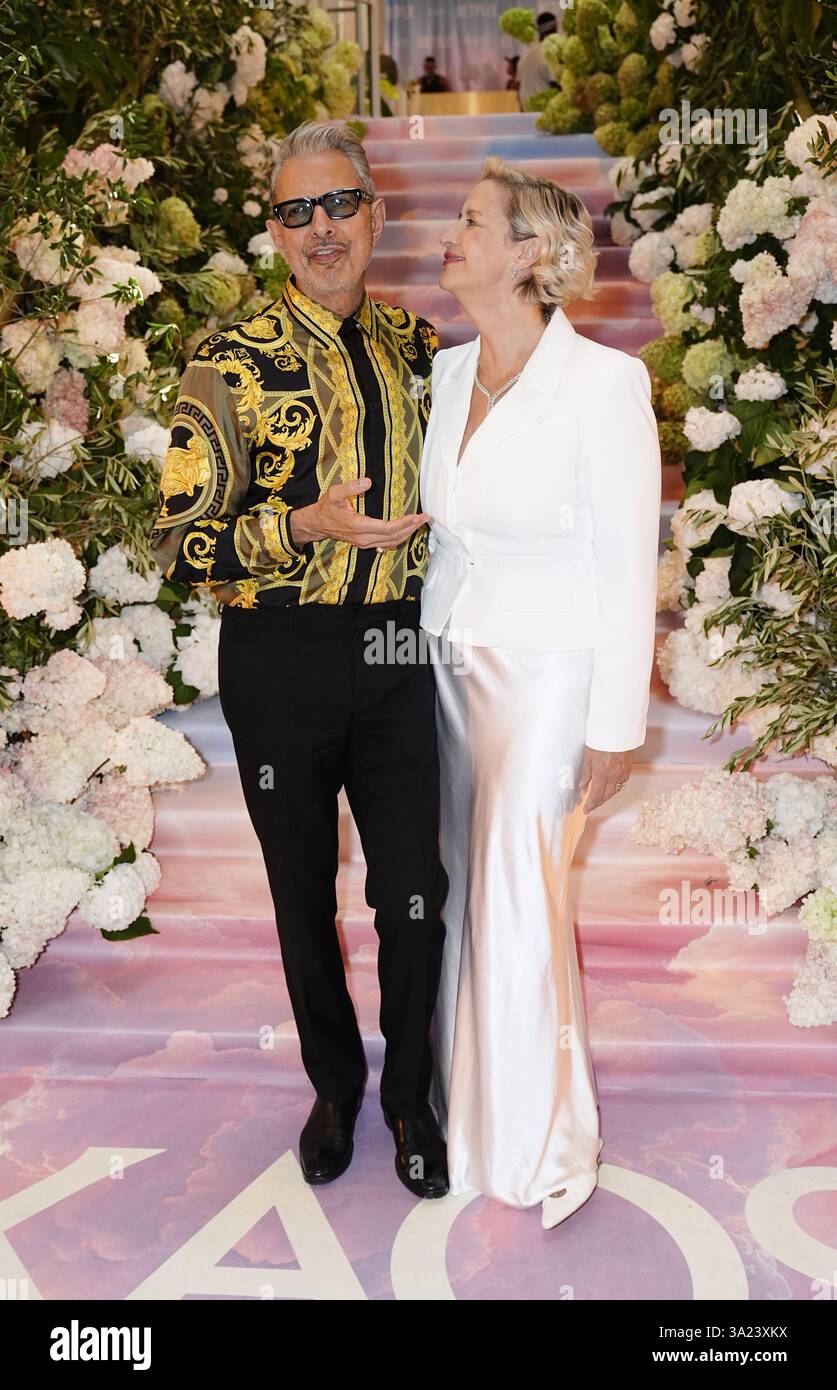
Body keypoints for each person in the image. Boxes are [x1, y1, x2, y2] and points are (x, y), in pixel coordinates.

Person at [148, 121, 450, 1200]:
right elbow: (180, 539)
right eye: (295, 211)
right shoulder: (225, 363)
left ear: (376, 212)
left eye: (339, 205)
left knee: (415, 887)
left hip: (399, 648)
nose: (321, 228)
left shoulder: (420, 347)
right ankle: (334, 1085)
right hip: (280, 654)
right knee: (301, 889)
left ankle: (412, 1093)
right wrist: (303, 528)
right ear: (274, 231)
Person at [419, 156, 661, 1228]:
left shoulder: (605, 385)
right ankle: (467, 1113)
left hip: (552, 678)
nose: (448, 235)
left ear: (527, 252)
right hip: (452, 669)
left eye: (471, 221)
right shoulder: (446, 373)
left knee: (522, 900)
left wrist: (617, 723)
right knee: (467, 893)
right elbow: (451, 539)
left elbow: (626, 563)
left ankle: (534, 1140)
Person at [517, 11, 560, 110]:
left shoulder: (526, 53)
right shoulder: (550, 52)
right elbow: (555, 86)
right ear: (555, 29)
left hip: (526, 114)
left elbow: (518, 86)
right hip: (544, 114)